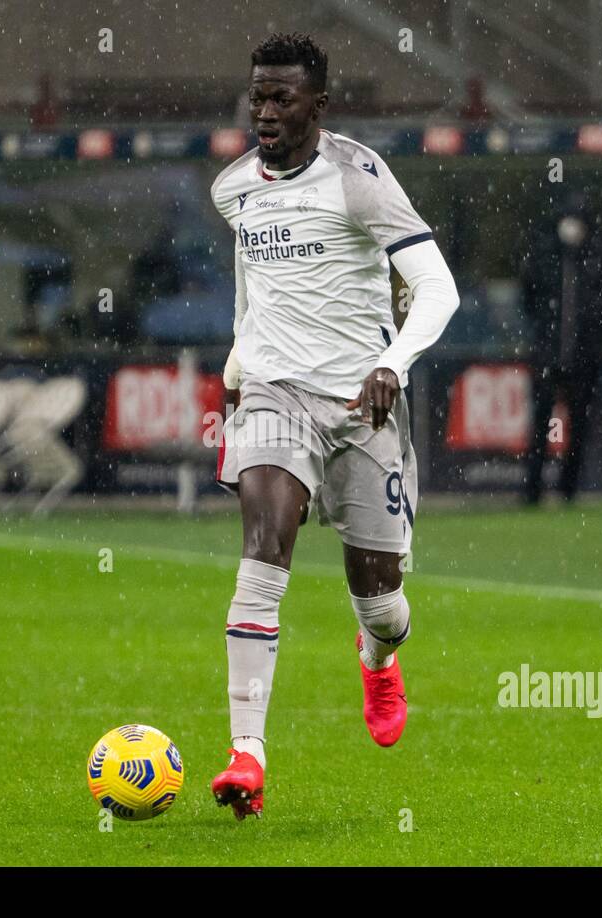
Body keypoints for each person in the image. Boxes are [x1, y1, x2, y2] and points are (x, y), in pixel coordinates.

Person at [208, 33, 459, 820]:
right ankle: (247, 754)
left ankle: (377, 657)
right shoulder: (233, 189)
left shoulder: (358, 181)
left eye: (283, 98)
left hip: (362, 403)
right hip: (276, 395)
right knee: (263, 549)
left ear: (320, 105)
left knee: (380, 597)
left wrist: (395, 363)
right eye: (258, 96)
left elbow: (438, 289)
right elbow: (255, 285)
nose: (266, 112)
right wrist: (238, 357)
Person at [520, 191, 602, 504]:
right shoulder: (545, 256)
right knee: (539, 425)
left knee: (578, 426)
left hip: (584, 357)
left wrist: (598, 343)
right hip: (548, 354)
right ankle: (532, 489)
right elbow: (530, 298)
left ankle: (568, 490)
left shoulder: (598, 258)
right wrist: (542, 340)